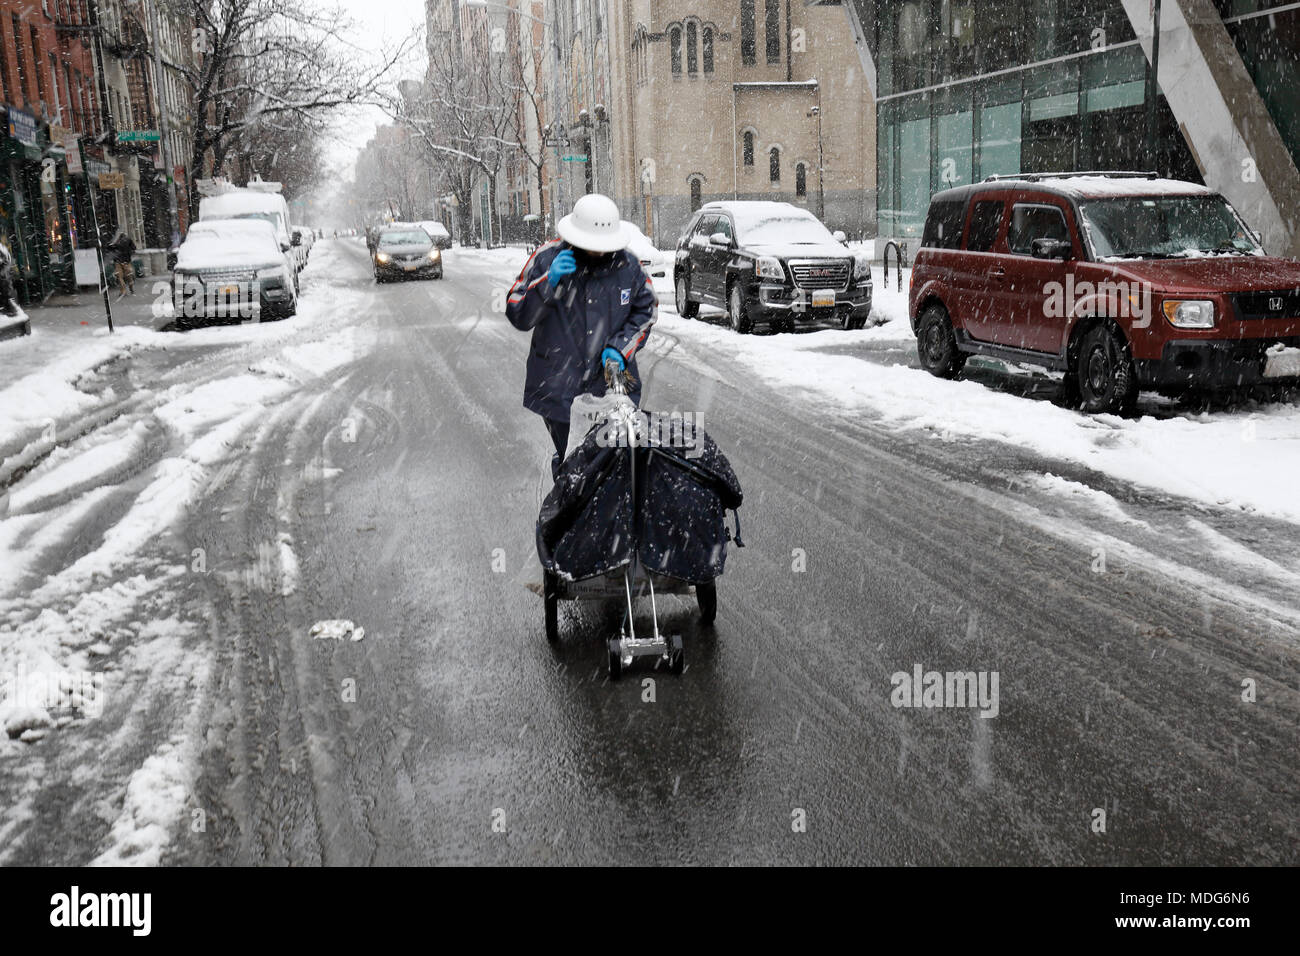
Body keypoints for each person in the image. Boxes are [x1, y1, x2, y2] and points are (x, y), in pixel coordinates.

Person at [505, 193, 657, 480]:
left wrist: (621, 347)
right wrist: (546, 283)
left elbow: (647, 310)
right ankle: (566, 510)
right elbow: (517, 313)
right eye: (591, 246)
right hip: (557, 387)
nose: (597, 254)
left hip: (613, 386)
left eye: (603, 248)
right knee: (573, 464)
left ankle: (606, 519)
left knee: (615, 465)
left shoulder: (630, 267)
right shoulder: (547, 258)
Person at [106, 228, 135, 295]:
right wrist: (129, 252)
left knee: (120, 277)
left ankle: (123, 291)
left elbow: (109, 248)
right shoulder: (128, 240)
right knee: (129, 276)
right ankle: (131, 287)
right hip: (127, 261)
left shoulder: (115, 242)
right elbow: (134, 248)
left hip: (118, 261)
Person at [0, 240, 19, 317]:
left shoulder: (2, 248)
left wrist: (2, 273)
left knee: (6, 291)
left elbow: (6, 260)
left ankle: (11, 309)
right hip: (4, 273)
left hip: (3, 274)